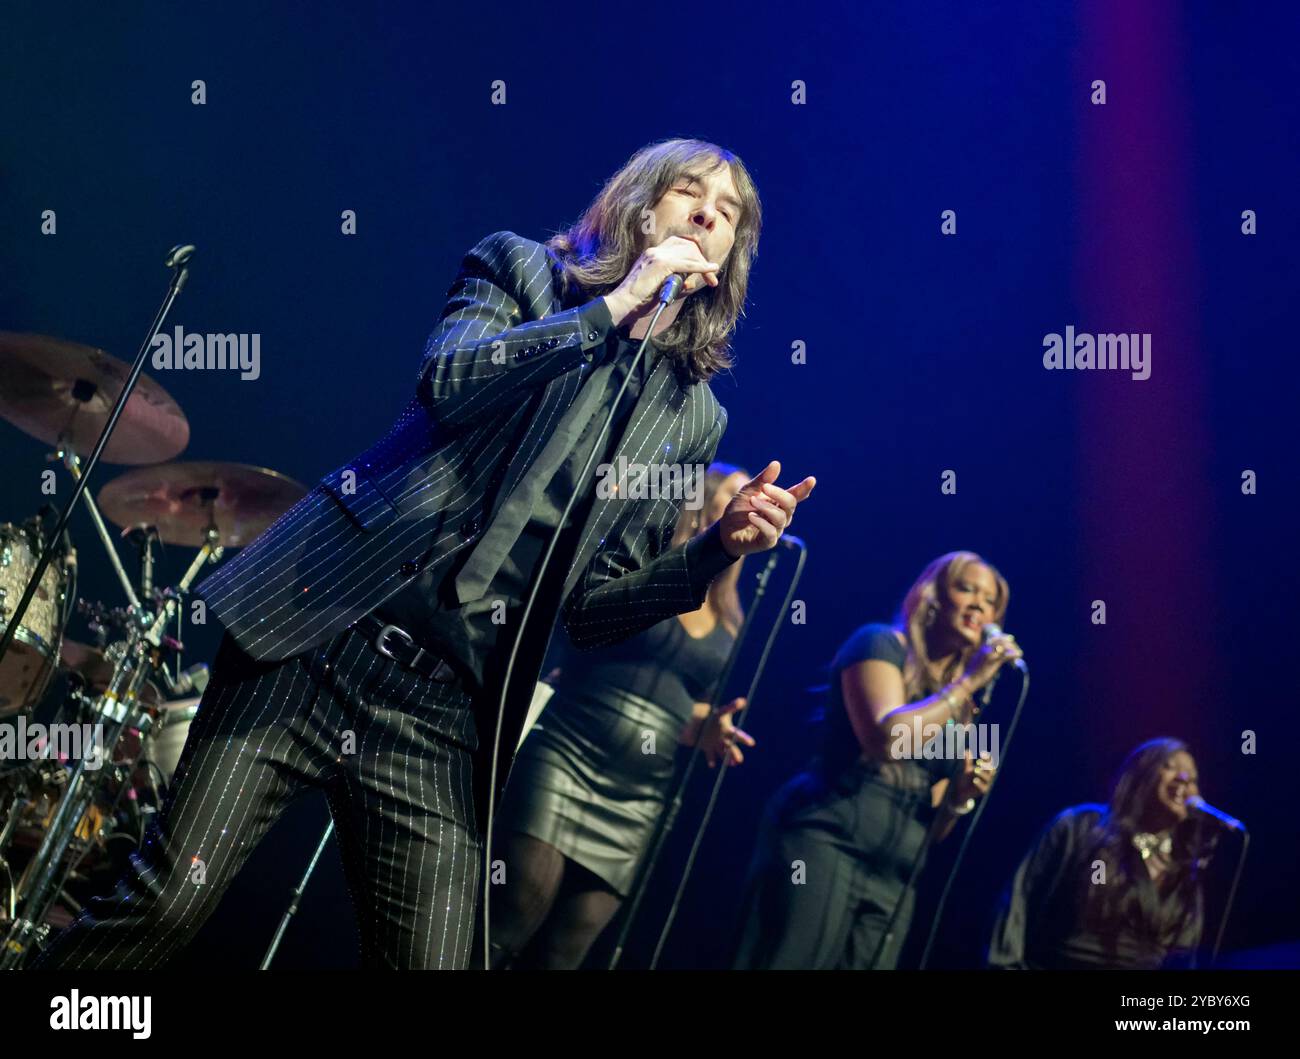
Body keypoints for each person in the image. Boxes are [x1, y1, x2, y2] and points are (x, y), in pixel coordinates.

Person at [33, 138, 816, 970]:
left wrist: (712, 553)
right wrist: (610, 310)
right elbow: (452, 380)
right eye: (690, 192)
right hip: (320, 636)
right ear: (637, 204)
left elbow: (590, 609)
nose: (706, 213)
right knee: (165, 901)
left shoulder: (692, 421)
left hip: (440, 715)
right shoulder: (517, 271)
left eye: (727, 212)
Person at [489, 463, 753, 969]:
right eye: (738, 493)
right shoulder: (646, 564)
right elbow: (582, 627)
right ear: (704, 499)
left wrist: (707, 727)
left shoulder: (730, 615)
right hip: (570, 750)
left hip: (640, 794)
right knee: (513, 907)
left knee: (567, 948)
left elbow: (691, 696)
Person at [733, 550, 1021, 969]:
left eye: (991, 600)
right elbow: (887, 739)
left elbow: (934, 826)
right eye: (966, 589)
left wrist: (960, 799)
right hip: (827, 842)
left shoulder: (963, 707)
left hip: (895, 878)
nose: (980, 604)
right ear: (933, 597)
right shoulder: (878, 644)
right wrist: (969, 681)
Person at [988, 737, 1210, 970]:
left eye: (1192, 777)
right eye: (1171, 766)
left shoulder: (1184, 871)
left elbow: (1182, 957)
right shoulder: (1080, 827)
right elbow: (1019, 899)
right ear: (1140, 773)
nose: (1183, 778)